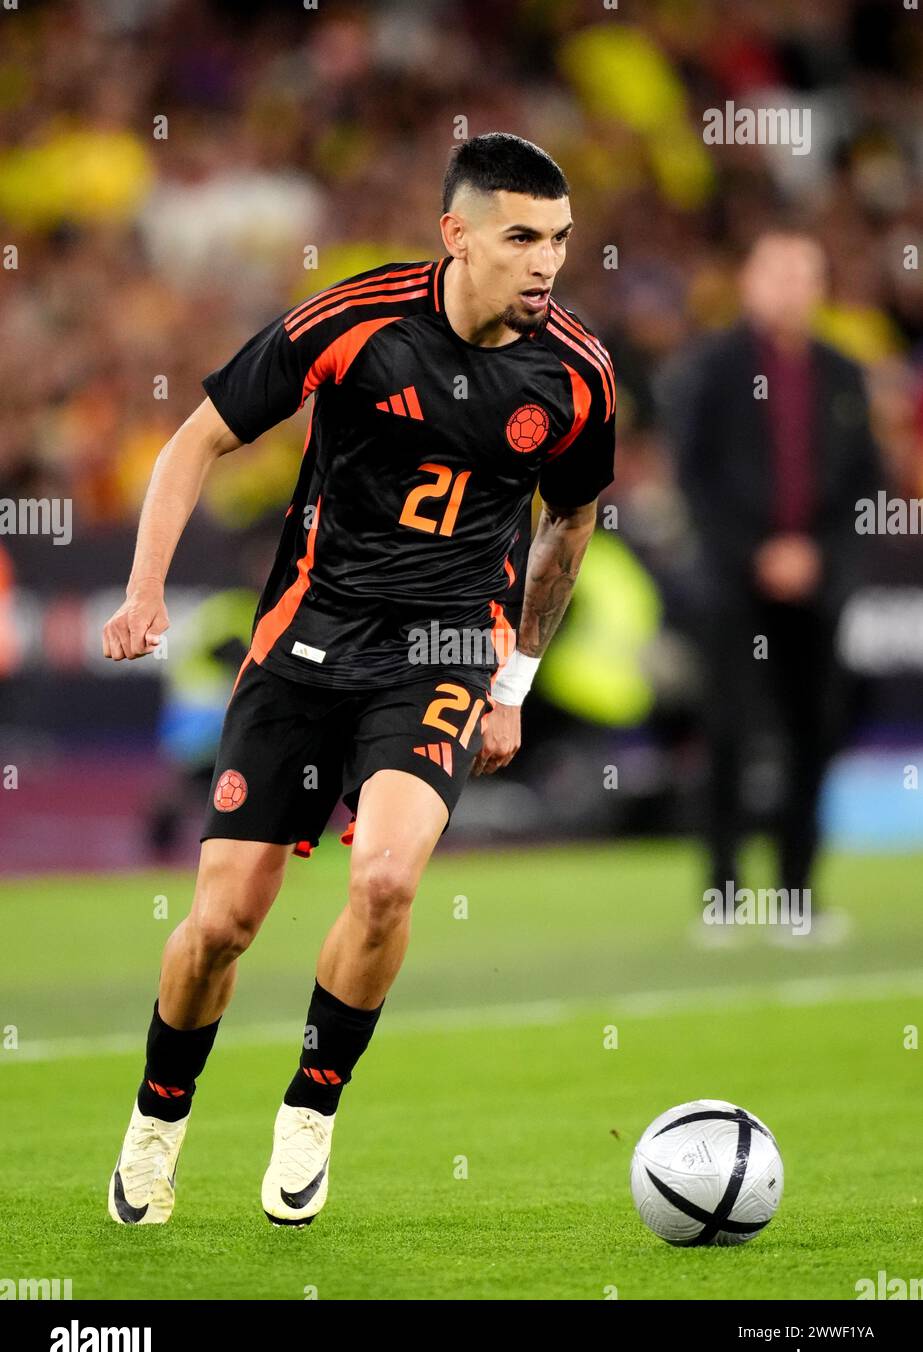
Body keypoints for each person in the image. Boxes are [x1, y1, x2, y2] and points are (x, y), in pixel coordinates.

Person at [101, 133, 616, 1226]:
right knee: (225, 922)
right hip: (306, 638)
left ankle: (312, 1108)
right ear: (457, 235)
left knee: (385, 881)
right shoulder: (353, 321)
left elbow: (571, 515)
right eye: (522, 237)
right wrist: (145, 591)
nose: (546, 264)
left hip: (443, 650)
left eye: (560, 241)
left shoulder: (576, 375)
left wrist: (515, 682)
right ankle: (158, 1115)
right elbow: (193, 441)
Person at [665, 231, 880, 919]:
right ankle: (724, 890)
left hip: (816, 586)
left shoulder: (843, 373)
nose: (791, 287)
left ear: (821, 286)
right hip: (735, 585)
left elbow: (864, 482)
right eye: (777, 272)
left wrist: (819, 555)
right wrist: (754, 552)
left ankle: (797, 891)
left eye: (803, 274)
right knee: (726, 729)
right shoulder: (714, 369)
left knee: (813, 732)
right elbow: (693, 477)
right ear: (749, 281)